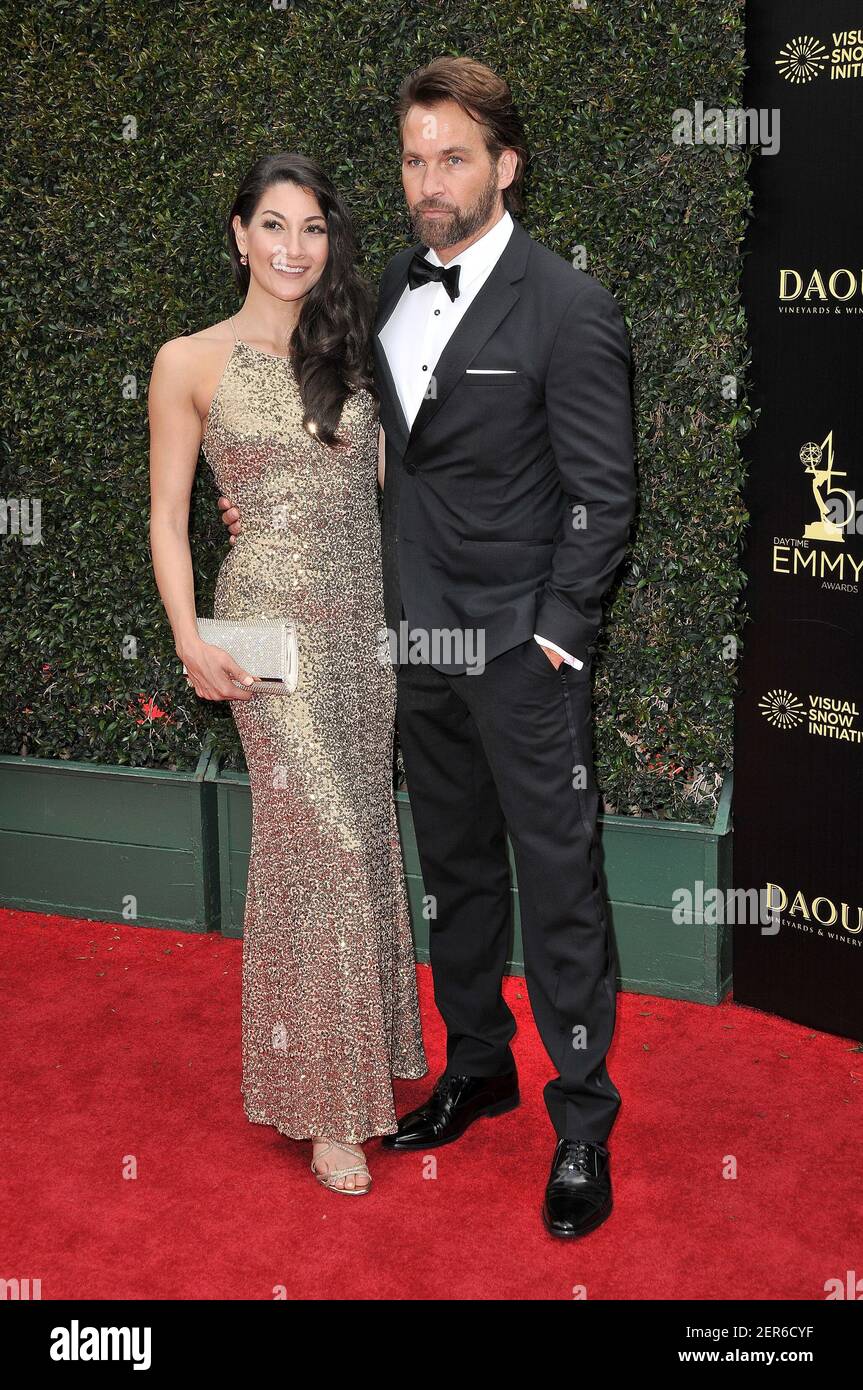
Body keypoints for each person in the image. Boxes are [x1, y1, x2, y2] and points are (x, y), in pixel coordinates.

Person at [219, 57, 636, 1238]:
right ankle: (477, 1064)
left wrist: (560, 637)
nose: (427, 179)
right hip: (407, 642)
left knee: (556, 888)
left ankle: (581, 1122)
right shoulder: (388, 283)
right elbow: (324, 425)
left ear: (504, 166)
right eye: (412, 157)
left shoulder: (567, 307)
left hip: (520, 653)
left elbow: (604, 498)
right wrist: (255, 500)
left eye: (452, 155)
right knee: (455, 879)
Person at [148, 152, 427, 1196]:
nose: (292, 247)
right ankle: (325, 1111)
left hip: (363, 627)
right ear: (237, 234)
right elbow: (166, 514)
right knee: (323, 837)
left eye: (311, 228)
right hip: (265, 633)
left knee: (352, 844)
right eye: (272, 225)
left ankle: (355, 1065)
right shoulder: (187, 361)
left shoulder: (353, 352)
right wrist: (185, 636)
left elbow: (406, 485)